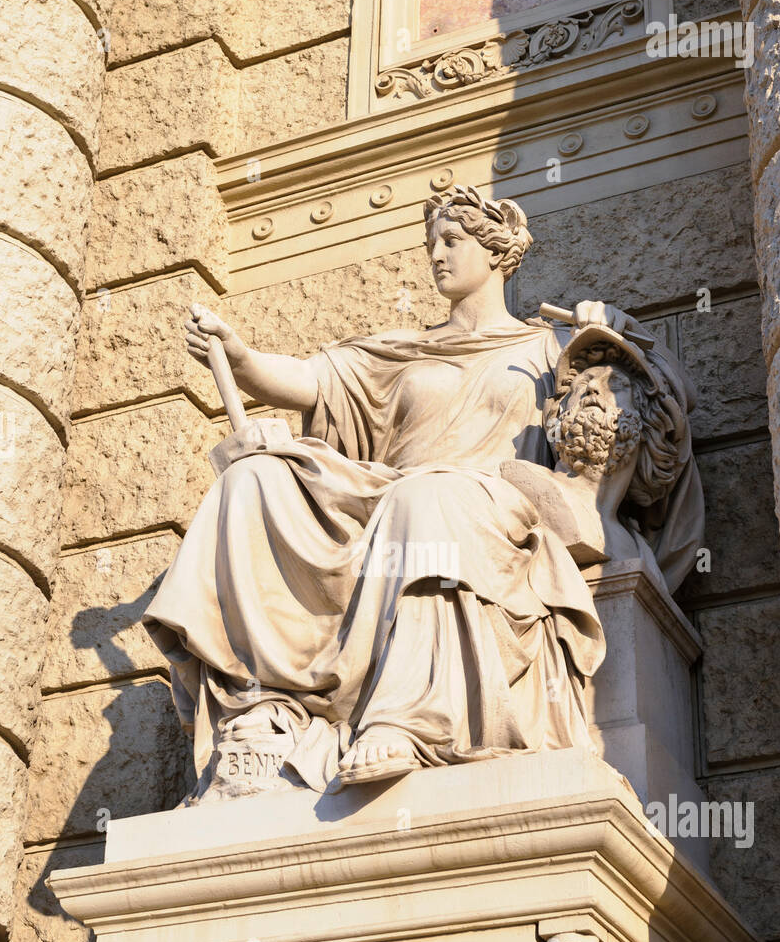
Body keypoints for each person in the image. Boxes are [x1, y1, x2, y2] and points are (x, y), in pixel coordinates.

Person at [144, 186, 663, 801]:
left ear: (498, 253)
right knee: (252, 476)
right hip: (388, 494)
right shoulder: (404, 352)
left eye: (452, 241)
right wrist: (239, 355)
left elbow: (638, 422)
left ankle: (410, 720)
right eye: (430, 244)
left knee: (428, 497)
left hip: (492, 506)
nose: (436, 256)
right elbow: (308, 382)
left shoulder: (549, 351)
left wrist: (619, 346)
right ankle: (265, 708)